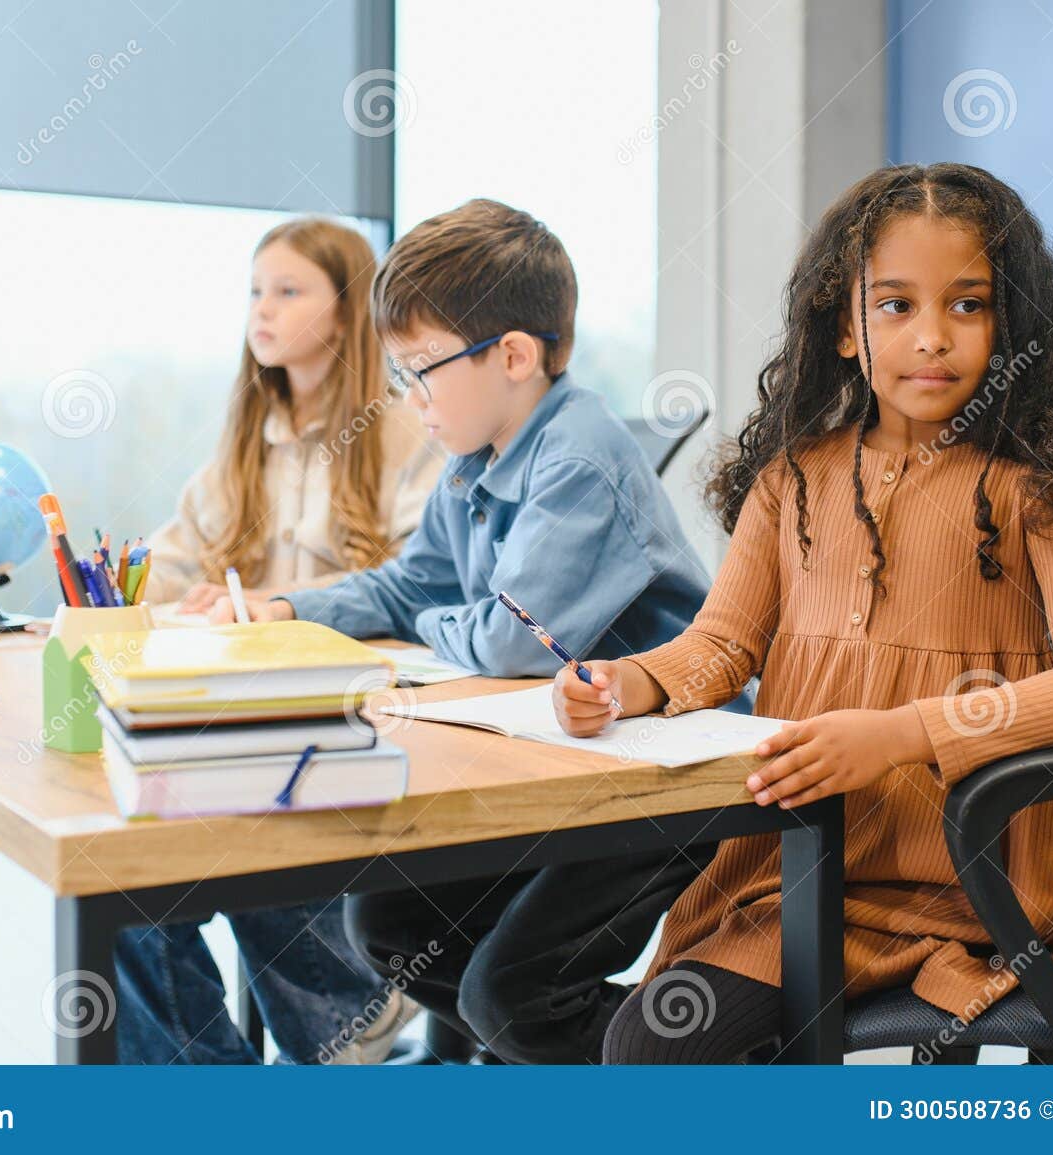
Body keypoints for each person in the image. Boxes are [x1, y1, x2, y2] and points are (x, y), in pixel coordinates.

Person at [552, 163, 1053, 1063]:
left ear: (1012, 326)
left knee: (656, 1048)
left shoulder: (1039, 489)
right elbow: (723, 643)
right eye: (895, 305)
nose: (932, 336)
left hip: (978, 882)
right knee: (651, 1034)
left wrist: (901, 734)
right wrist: (630, 681)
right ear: (845, 327)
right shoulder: (792, 478)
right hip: (804, 864)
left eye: (968, 305)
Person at [225, 199, 719, 1063]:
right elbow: (413, 580)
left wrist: (428, 621)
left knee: (511, 993)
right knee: (387, 922)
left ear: (515, 356)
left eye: (422, 370)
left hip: (668, 770)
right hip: (563, 756)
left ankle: (721, 1069)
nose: (409, 398)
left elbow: (509, 639)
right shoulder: (472, 458)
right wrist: (293, 608)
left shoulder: (577, 457)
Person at [116, 217, 443, 1064]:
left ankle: (348, 1005)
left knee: (202, 862)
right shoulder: (246, 441)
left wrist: (283, 608)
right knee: (123, 886)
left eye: (288, 290)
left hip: (353, 724)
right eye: (255, 291)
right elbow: (174, 557)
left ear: (347, 311)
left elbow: (425, 585)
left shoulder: (410, 432)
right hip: (243, 724)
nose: (262, 309)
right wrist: (127, 599)